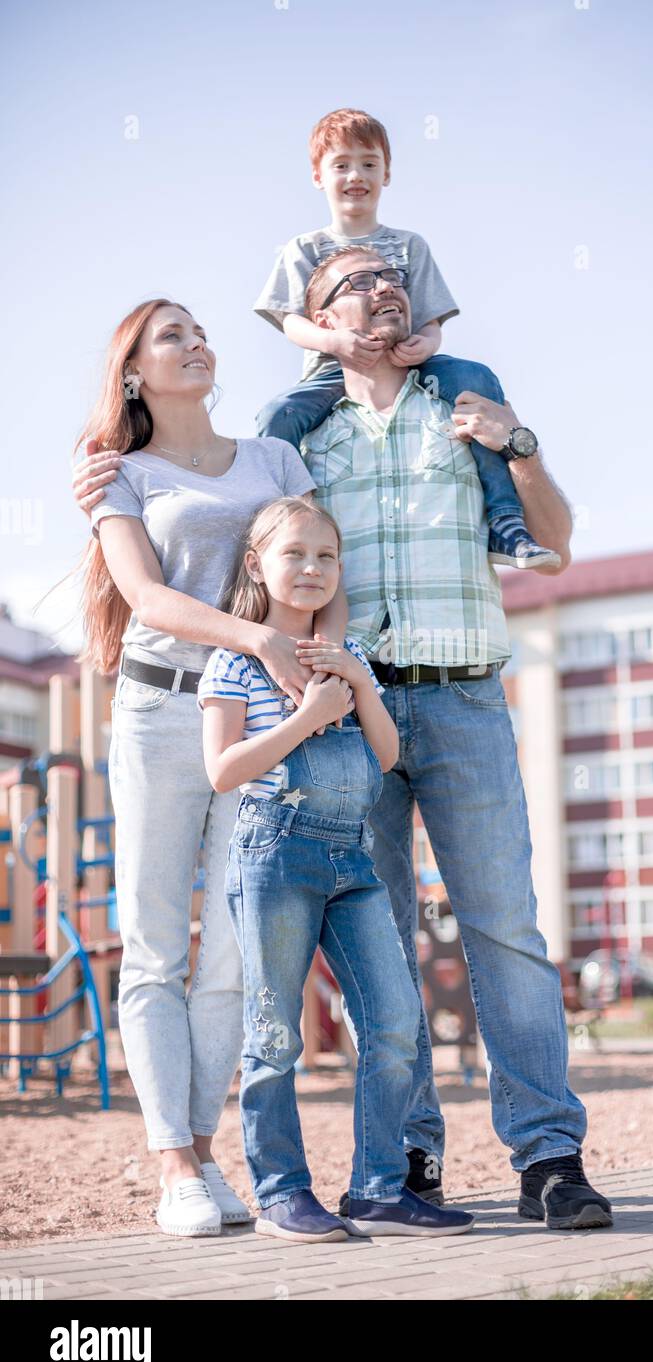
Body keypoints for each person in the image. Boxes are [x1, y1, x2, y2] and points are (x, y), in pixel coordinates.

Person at [297, 244, 614, 1231]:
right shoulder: (302, 439)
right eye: (357, 281)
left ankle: (548, 1157)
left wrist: (520, 446)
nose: (385, 287)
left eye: (394, 278)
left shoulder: (465, 408)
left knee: (504, 927)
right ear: (321, 321)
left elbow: (554, 546)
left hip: (465, 699)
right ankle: (408, 1155)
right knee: (376, 939)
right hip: (350, 713)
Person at [75, 298, 349, 1237]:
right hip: (159, 711)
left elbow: (324, 567)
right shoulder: (120, 474)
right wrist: (258, 638)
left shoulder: (274, 461)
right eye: (172, 336)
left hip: (260, 714)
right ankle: (174, 1166)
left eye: (200, 332)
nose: (195, 344)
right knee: (154, 943)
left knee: (235, 946)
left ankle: (201, 1147)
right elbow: (146, 596)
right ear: (133, 371)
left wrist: (320, 664)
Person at [197, 495, 476, 1241]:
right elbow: (223, 770)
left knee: (395, 1022)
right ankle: (282, 1193)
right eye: (294, 554)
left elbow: (384, 756)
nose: (312, 568)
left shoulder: (346, 659)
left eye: (327, 556)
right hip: (275, 855)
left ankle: (379, 1189)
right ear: (257, 565)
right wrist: (307, 719)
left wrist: (354, 678)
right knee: (274, 1034)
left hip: (352, 859)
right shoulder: (235, 662)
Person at [253, 107, 558, 571]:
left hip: (406, 363)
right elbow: (290, 320)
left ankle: (504, 520)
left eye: (369, 163)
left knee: (475, 380)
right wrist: (334, 343)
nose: (356, 175)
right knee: (277, 417)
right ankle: (285, 530)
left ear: (387, 173)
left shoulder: (409, 245)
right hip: (333, 371)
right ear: (318, 176)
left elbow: (431, 318)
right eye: (341, 165)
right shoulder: (305, 248)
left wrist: (427, 344)